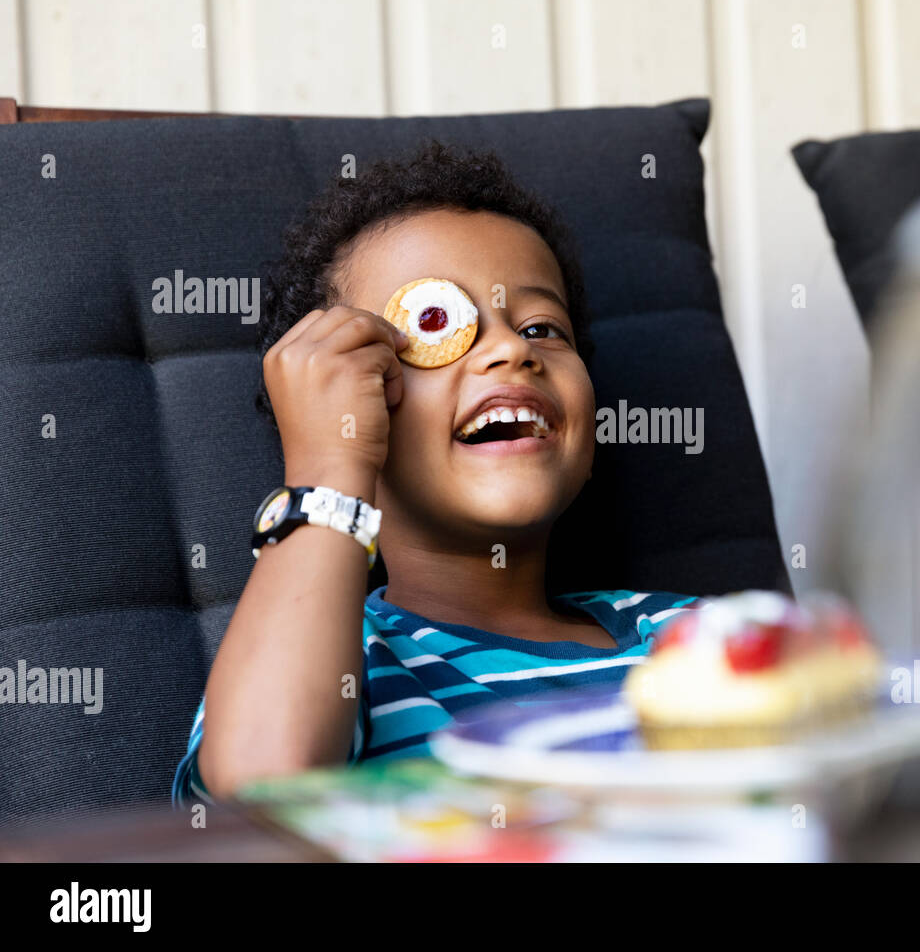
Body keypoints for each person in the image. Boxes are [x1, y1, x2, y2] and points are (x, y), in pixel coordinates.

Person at [172, 142, 698, 804]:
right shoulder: (342, 667)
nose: (510, 347)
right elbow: (267, 783)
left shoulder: (694, 640)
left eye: (542, 328)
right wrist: (328, 466)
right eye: (435, 327)